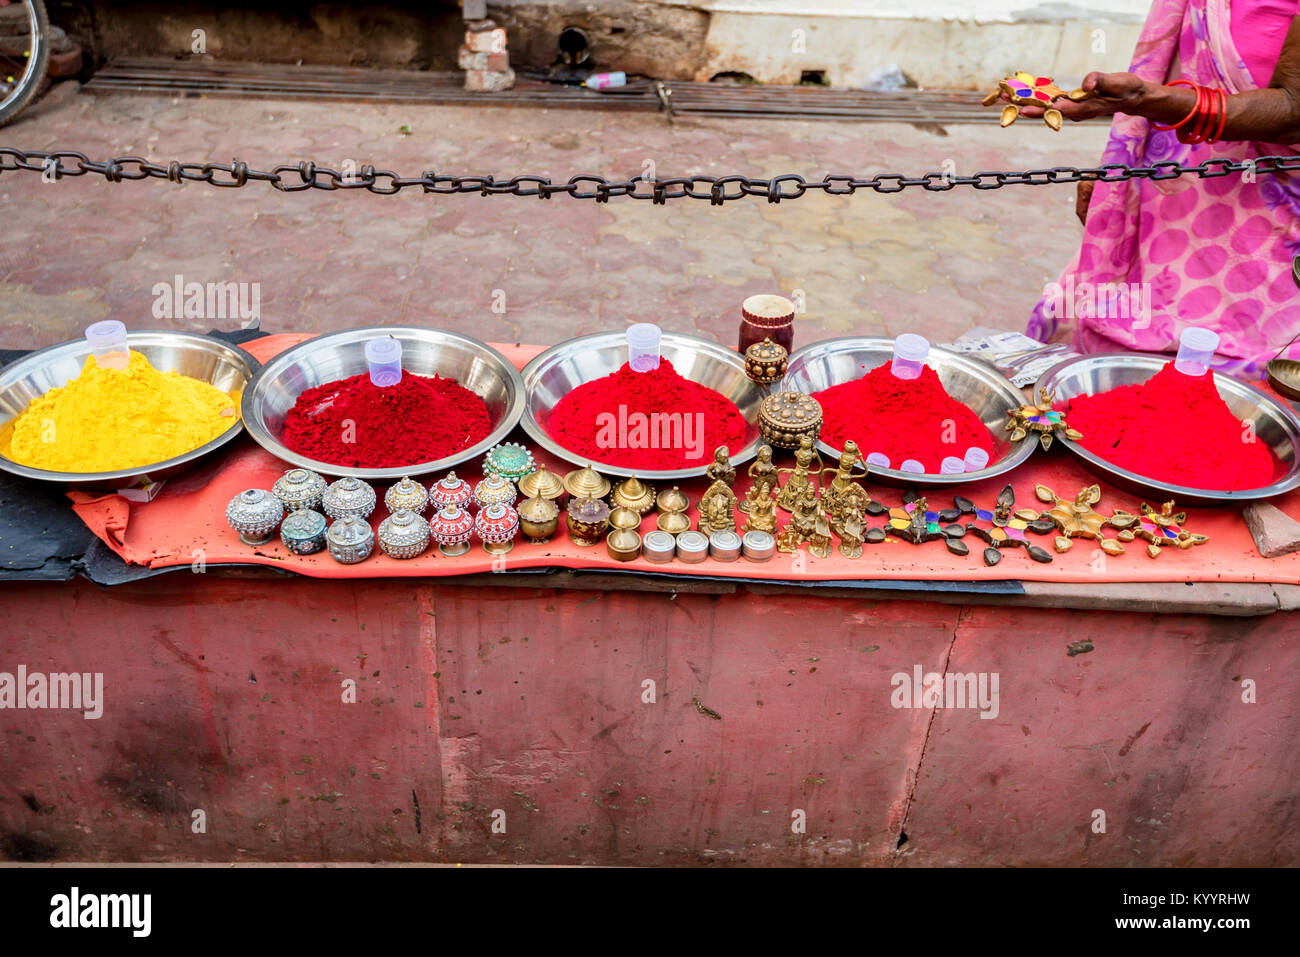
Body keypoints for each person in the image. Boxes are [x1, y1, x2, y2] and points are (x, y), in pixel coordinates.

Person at [1018, 0, 1300, 374]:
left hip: (1269, 233)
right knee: (1108, 382)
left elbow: (1294, 110)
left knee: (1233, 395)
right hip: (1167, 201)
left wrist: (1148, 100)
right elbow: (1174, 63)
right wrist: (1119, 170)